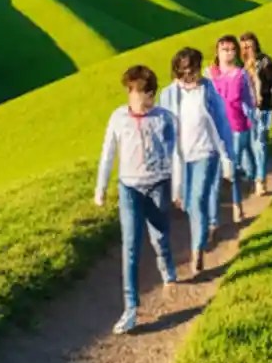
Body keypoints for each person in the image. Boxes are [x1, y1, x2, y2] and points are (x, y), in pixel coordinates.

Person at [95, 65, 178, 334]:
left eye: (151, 96)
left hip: (159, 184)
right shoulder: (118, 118)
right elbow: (108, 153)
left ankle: (168, 269)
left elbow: (177, 154)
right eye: (143, 95)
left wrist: (178, 187)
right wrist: (101, 187)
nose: (147, 102)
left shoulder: (165, 118)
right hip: (129, 187)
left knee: (160, 236)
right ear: (131, 92)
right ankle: (130, 308)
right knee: (130, 245)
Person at [159, 47, 236, 274]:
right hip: (181, 158)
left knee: (198, 201)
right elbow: (162, 128)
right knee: (187, 204)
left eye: (195, 69)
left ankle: (197, 250)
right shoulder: (169, 94)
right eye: (187, 71)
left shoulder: (208, 90)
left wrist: (227, 156)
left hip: (206, 153)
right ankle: (199, 239)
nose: (192, 75)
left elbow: (221, 122)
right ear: (179, 71)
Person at [204, 35, 252, 223]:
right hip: (214, 129)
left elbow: (248, 100)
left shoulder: (241, 74)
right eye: (224, 49)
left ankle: (237, 205)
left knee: (233, 170)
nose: (228, 53)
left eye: (232, 49)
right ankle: (213, 217)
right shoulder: (208, 74)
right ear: (217, 51)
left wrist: (252, 118)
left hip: (236, 126)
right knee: (215, 173)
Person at [240, 31, 272, 196]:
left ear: (256, 45)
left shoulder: (265, 62)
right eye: (244, 47)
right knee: (247, 146)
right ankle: (252, 175)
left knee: (260, 144)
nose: (248, 49)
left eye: (250, 45)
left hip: (263, 108)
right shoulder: (238, 64)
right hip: (244, 110)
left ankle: (260, 179)